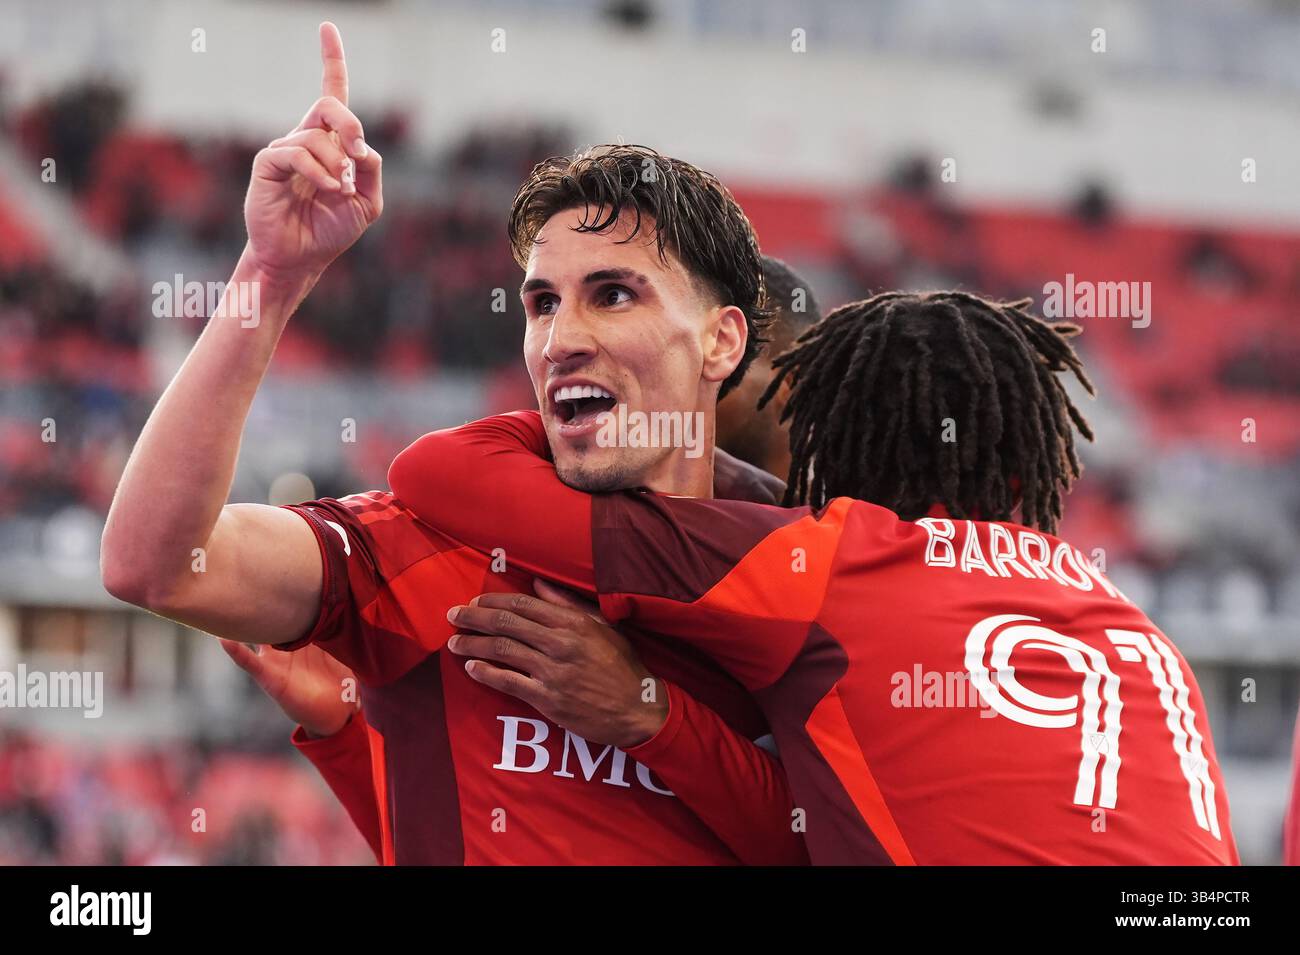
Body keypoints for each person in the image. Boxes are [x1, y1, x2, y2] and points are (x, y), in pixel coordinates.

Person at [101, 21, 806, 865]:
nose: (561, 339)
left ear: (723, 343)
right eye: (542, 303)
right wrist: (270, 275)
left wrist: (652, 716)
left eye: (613, 295)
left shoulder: (801, 582)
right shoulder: (437, 541)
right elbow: (156, 563)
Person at [388, 291, 1240, 865]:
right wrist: (657, 717)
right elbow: (813, 830)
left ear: (825, 460)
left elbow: (438, 472)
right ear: (1028, 474)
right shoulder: (1133, 623)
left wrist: (719, 471)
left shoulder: (823, 558)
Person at [224, 256, 822, 863]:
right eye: (545, 307)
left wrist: (652, 715)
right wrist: (351, 744)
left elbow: (820, 849)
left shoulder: (828, 585)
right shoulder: (521, 553)